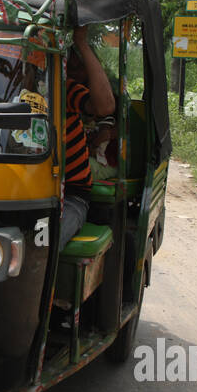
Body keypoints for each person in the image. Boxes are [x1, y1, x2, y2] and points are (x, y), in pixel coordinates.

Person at [58, 25, 116, 252]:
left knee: (49, 241)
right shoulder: (8, 90)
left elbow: (105, 107)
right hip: (24, 192)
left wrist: (82, 43)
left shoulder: (62, 89)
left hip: (70, 195)